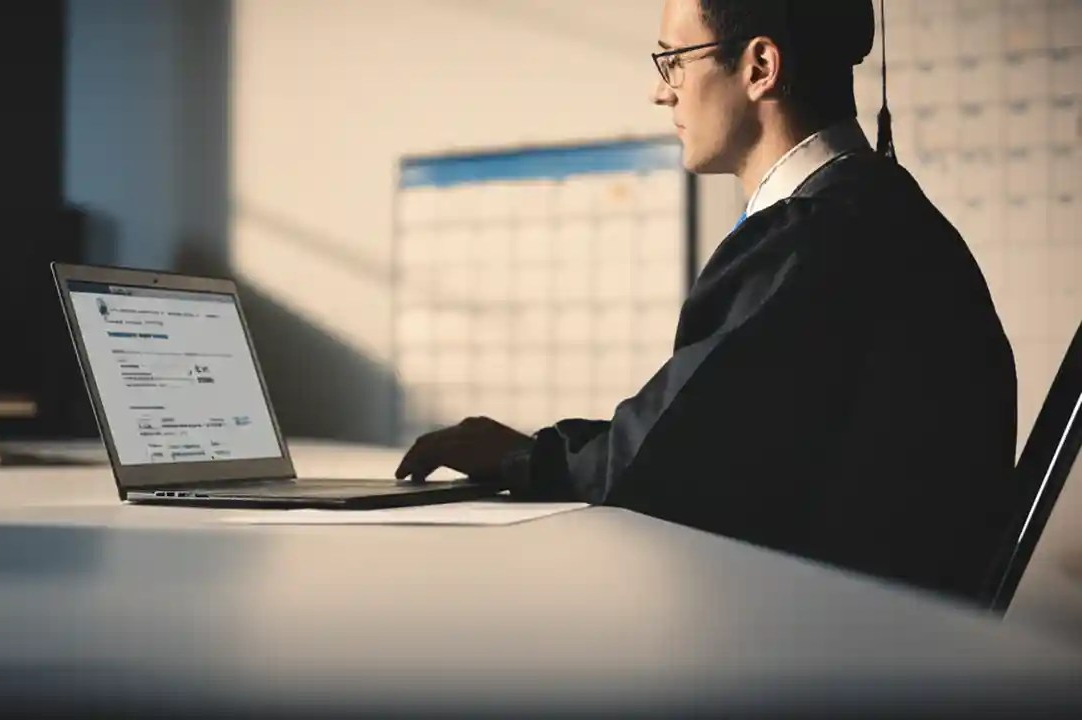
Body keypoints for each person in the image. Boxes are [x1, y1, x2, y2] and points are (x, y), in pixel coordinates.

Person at [394, 0, 1018, 602]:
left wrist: (523, 457)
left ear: (759, 69)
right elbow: (707, 430)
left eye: (676, 60)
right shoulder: (876, 212)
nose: (661, 92)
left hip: (833, 653)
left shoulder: (810, 239)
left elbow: (664, 461)